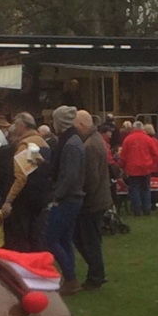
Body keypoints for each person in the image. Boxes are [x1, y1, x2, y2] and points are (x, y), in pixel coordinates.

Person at [40, 106, 86, 293]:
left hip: (68, 198)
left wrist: (56, 196)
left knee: (51, 238)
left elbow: (70, 176)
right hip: (71, 197)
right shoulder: (71, 141)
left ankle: (71, 278)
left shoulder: (71, 144)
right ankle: (70, 277)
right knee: (64, 239)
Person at [76, 110, 111, 291]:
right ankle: (96, 272)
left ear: (82, 125)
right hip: (100, 198)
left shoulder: (90, 145)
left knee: (89, 240)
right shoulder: (96, 140)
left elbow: (92, 178)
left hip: (93, 201)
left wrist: (83, 196)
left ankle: (96, 275)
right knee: (90, 239)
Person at [120, 120, 158, 217]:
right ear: (142, 128)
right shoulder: (148, 139)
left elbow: (123, 155)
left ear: (133, 128)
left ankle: (137, 210)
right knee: (146, 189)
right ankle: (147, 209)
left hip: (132, 169)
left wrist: (121, 166)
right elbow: (156, 153)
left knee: (135, 189)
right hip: (146, 168)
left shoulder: (128, 139)